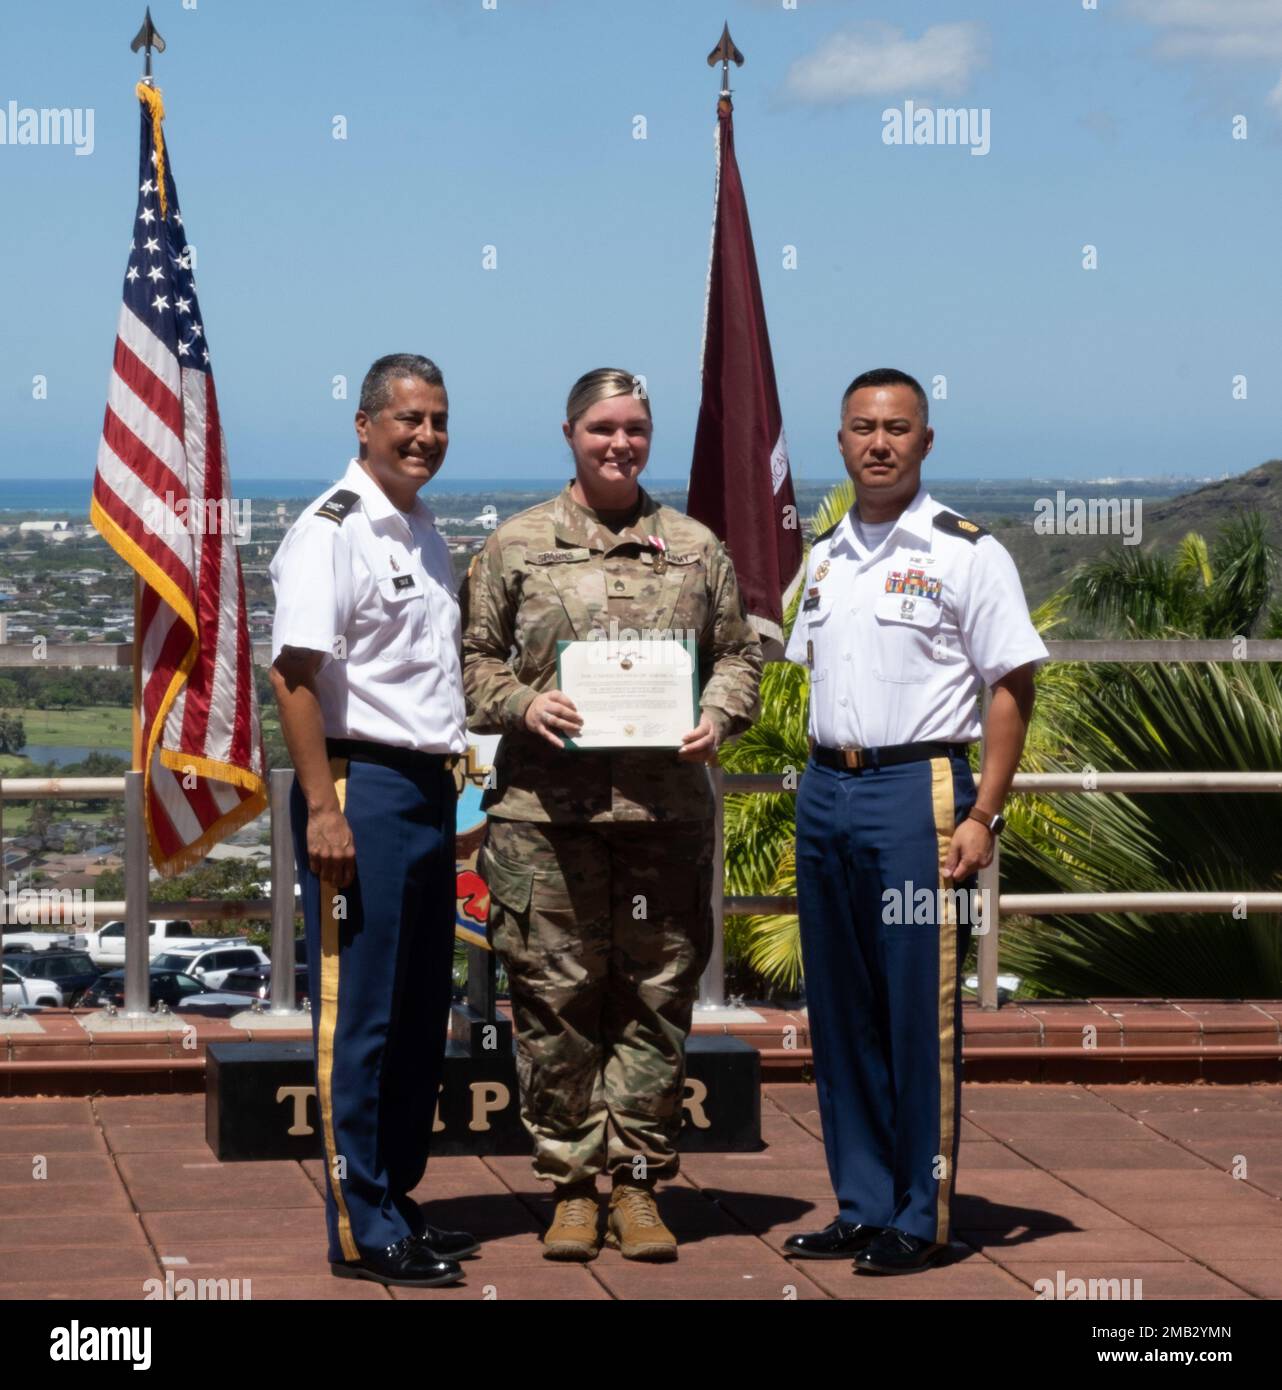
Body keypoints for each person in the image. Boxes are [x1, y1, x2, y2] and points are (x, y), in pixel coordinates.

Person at [461, 368, 762, 1263]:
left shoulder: (696, 547)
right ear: (570, 434)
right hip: (545, 821)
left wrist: (721, 715)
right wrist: (523, 705)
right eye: (602, 428)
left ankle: (637, 1184)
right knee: (553, 1005)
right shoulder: (514, 546)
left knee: (656, 1001)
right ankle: (569, 1185)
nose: (619, 443)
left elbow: (739, 656)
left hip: (663, 819)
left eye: (634, 428)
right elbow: (474, 665)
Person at [782, 368, 1047, 1275]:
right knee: (840, 1005)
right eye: (863, 428)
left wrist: (985, 812)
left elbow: (1011, 683)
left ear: (926, 442)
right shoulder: (823, 558)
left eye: (898, 428)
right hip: (825, 790)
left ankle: (919, 1212)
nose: (880, 443)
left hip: (918, 793)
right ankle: (860, 1202)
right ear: (843, 440)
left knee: (916, 1012)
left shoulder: (967, 552)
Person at [269, 353, 476, 1288]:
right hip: (360, 792)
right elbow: (295, 677)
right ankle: (361, 1226)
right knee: (362, 1017)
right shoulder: (332, 532)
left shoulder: (425, 531)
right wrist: (322, 809)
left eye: (437, 419)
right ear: (364, 425)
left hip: (428, 789)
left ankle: (397, 1199)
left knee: (421, 1011)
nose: (425, 435)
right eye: (408, 420)